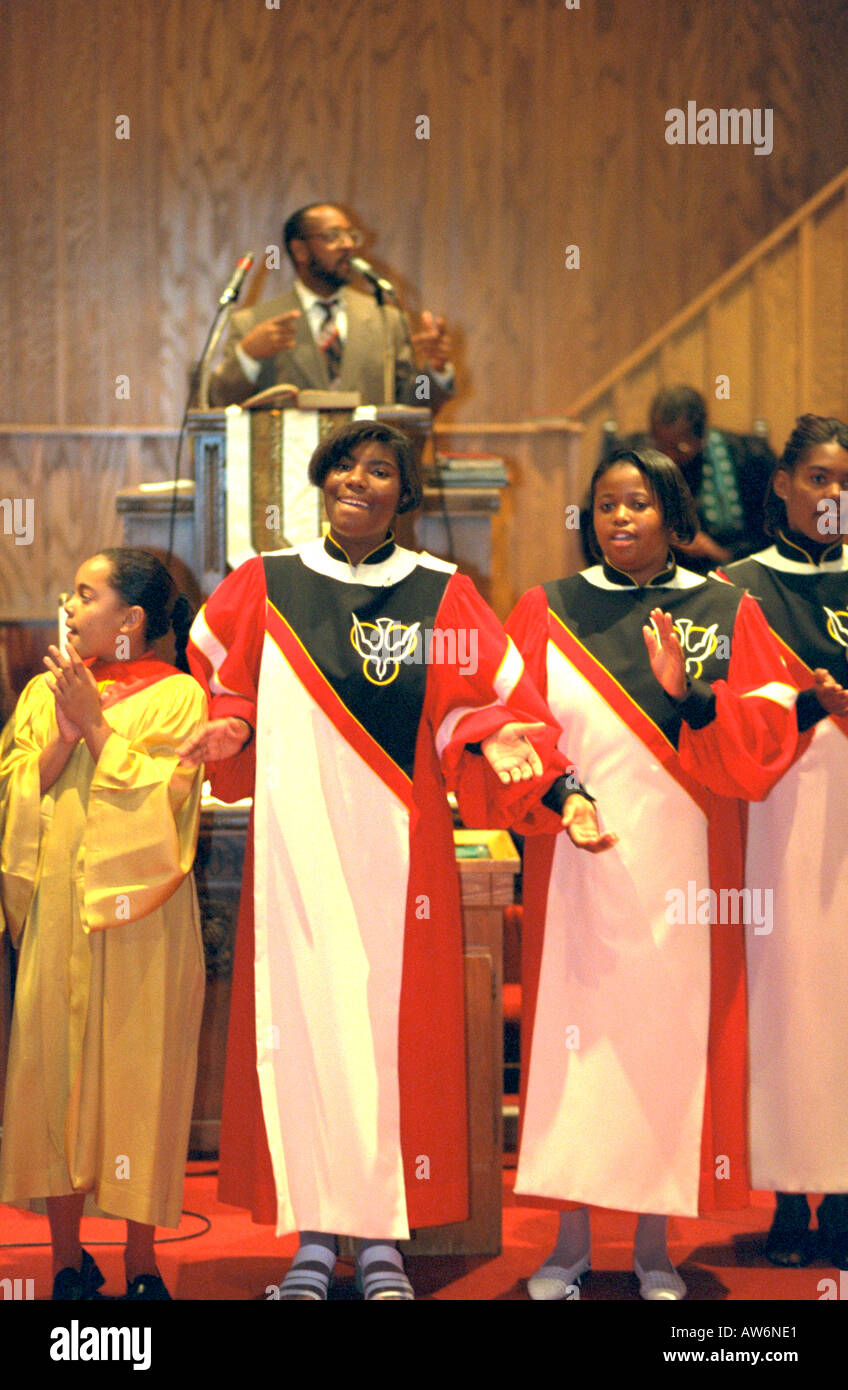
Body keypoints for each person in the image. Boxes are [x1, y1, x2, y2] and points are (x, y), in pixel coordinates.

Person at [179, 419, 611, 1300]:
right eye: (345, 465)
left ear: (404, 496)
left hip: (400, 856)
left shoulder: (441, 594)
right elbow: (225, 683)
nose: (357, 480)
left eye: (380, 471)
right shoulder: (268, 582)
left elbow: (478, 707)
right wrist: (231, 724)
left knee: (389, 1039)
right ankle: (313, 1241)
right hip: (297, 850)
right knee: (304, 1033)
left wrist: (504, 750)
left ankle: (379, 1244)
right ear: (322, 478)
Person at [507, 447, 800, 1300]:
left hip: (685, 868)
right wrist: (560, 794)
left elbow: (764, 737)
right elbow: (512, 725)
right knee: (576, 1062)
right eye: (604, 505)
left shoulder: (726, 609)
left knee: (664, 1057)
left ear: (674, 517)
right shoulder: (546, 610)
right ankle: (566, 1248)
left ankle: (652, 1251)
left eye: (637, 504)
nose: (620, 519)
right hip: (575, 865)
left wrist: (693, 698)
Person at [0, 549, 207, 1301]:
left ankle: (142, 1261)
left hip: (140, 915)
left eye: (86, 595)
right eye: (70, 594)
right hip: (58, 907)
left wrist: (98, 729)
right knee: (54, 1070)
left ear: (131, 621)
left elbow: (169, 801)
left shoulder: (179, 696)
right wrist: (63, 727)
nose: (70, 607)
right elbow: (18, 792)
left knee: (137, 1076)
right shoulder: (40, 694)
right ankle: (64, 1260)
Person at [720, 415, 848, 1271]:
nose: (832, 496)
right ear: (782, 485)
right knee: (786, 1000)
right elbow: (724, 708)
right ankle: (786, 1199)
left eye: (844, 483)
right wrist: (803, 705)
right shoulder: (737, 587)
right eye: (818, 479)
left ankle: (840, 1195)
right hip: (781, 807)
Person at [208, 202, 454, 410]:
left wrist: (435, 372)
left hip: (364, 464)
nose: (348, 245)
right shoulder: (254, 322)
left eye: (351, 236)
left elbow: (413, 406)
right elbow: (220, 403)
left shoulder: (386, 319)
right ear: (301, 250)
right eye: (333, 236)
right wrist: (248, 356)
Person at [585, 385, 775, 572]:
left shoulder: (748, 457)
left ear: (702, 438)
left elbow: (770, 531)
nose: (669, 457)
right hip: (648, 574)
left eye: (679, 448)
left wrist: (720, 553)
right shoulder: (630, 459)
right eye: (660, 445)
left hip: (724, 571)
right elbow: (591, 519)